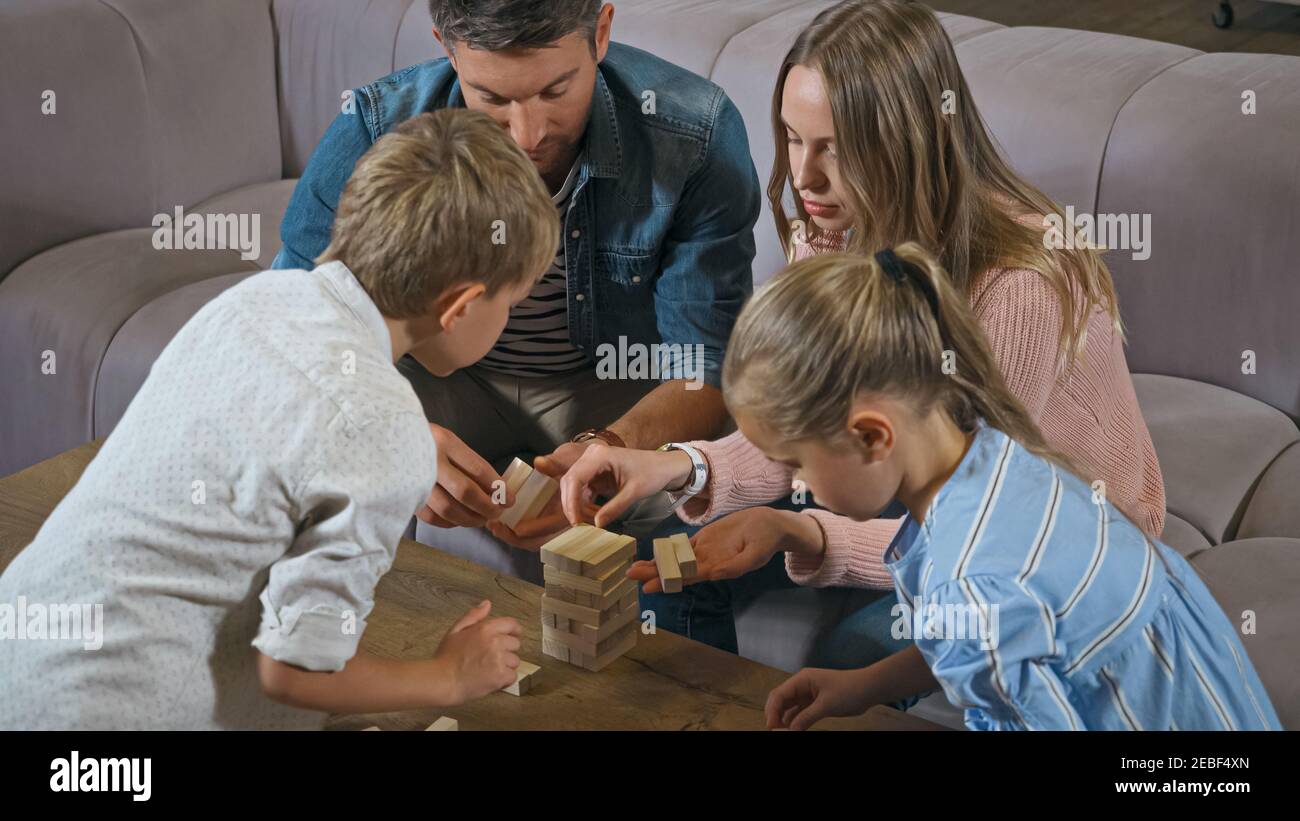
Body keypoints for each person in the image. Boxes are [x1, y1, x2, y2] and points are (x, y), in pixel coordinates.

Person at [561, 0, 1165, 667]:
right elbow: (805, 417)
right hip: (900, 474)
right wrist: (679, 465)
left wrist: (802, 531)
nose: (803, 176)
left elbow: (971, 525)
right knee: (663, 552)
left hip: (1041, 542)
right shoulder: (831, 231)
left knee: (852, 656)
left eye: (836, 149)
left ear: (913, 142)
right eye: (793, 138)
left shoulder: (1019, 286)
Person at [0, 110, 556, 729]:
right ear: (460, 306)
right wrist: (450, 676)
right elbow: (293, 672)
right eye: (512, 303)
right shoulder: (384, 420)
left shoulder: (252, 299)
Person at [273, 0, 761, 556]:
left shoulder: (695, 134)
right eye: (493, 98)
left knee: (676, 499)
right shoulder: (376, 127)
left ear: (601, 32)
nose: (527, 136)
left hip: (613, 381)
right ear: (447, 48)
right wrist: (385, 430)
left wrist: (611, 445)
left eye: (555, 91)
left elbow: (704, 366)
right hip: (436, 379)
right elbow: (291, 327)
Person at [737, 245, 1278, 731]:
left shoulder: (972, 578)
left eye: (796, 463)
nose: (797, 484)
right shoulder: (994, 457)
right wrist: (866, 684)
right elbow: (999, 637)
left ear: (873, 436)